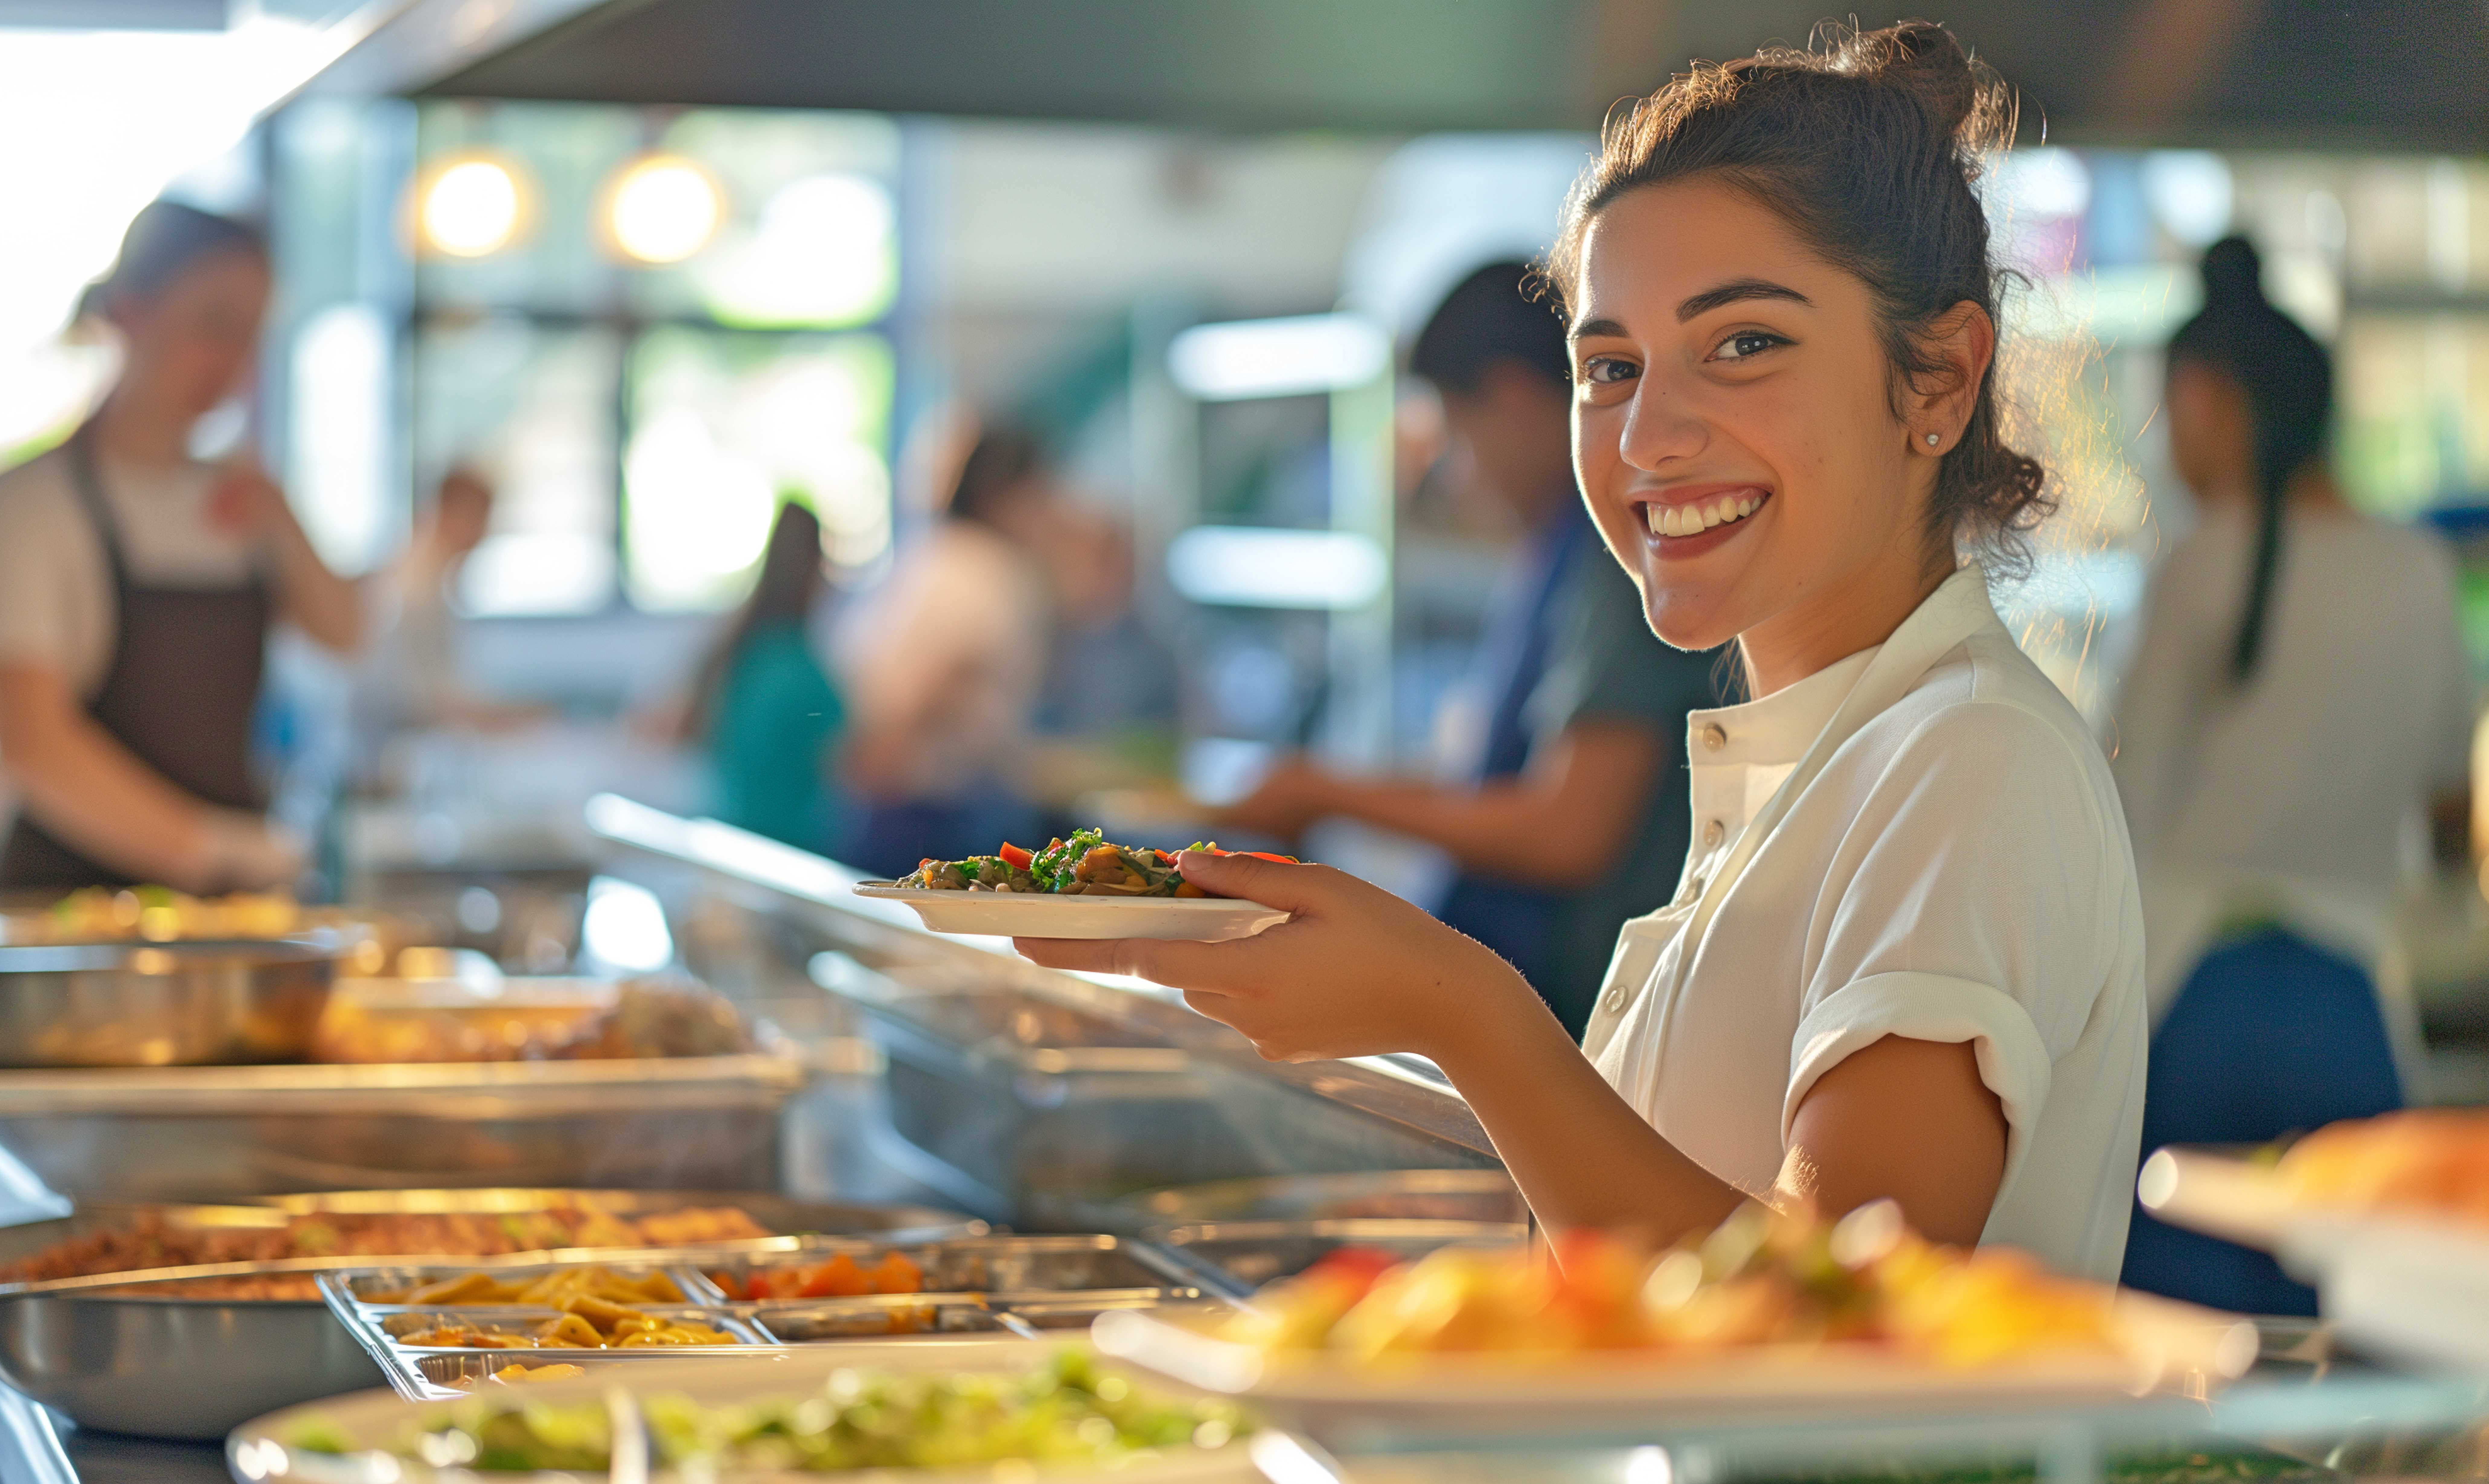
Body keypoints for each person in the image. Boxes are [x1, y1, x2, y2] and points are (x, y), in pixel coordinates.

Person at [1020, 22, 2147, 1279]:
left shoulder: (1967, 759)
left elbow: (1830, 1319)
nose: (1648, 437)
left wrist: (1457, 1009)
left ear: (1935, 380)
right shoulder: (1824, 760)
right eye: (1607, 366)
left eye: (1742, 345)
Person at [2109, 237, 2474, 1314]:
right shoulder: (2414, 570)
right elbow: (2451, 802)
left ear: (2215, 403)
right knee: (2347, 1353)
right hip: (2349, 1005)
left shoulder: (2191, 566)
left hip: (2185, 1001)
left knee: (2176, 1360)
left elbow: (2110, 800)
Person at [1218, 262, 1718, 1036]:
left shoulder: (1615, 556)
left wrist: (1325, 795)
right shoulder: (1555, 551)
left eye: (1455, 431)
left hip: (1598, 1009)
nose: (1454, 473)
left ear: (1515, 397)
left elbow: (1566, 829)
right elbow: (1507, 774)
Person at [0, 201, 364, 896]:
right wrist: (220, 848)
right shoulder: (27, 507)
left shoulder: (241, 499)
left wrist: (282, 520)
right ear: (130, 314)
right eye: (214, 325)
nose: (235, 363)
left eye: (251, 335)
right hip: (74, 914)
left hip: (226, 916)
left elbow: (344, 633)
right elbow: (34, 743)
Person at [835, 427, 1053, 874]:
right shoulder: (988, 565)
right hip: (929, 798)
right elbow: (949, 672)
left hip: (897, 792)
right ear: (1005, 494)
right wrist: (889, 748)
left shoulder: (932, 551)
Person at [352, 464, 550, 771]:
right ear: (451, 511)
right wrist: (505, 717)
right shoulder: (417, 587)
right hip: (387, 760)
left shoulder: (423, 575)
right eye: (481, 516)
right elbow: (427, 703)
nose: (485, 532)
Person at [679, 502, 849, 857]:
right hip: (790, 857)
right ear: (814, 570)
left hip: (726, 847)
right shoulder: (800, 671)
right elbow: (861, 767)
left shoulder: (736, 654)